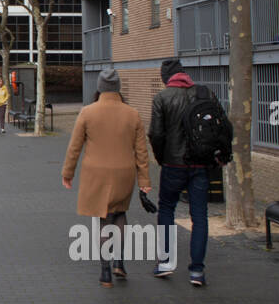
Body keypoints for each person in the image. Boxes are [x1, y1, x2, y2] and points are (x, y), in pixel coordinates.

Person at [61, 69, 152, 287]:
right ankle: (119, 263)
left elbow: (74, 148)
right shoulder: (133, 114)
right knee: (120, 213)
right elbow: (142, 152)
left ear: (100, 87)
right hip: (124, 173)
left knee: (104, 219)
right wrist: (145, 182)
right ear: (118, 87)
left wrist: (68, 173)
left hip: (97, 174)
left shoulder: (87, 112)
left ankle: (105, 272)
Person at [148, 58, 209, 286]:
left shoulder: (162, 98)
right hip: (200, 165)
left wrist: (161, 158)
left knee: (166, 209)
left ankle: (165, 263)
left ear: (166, 78)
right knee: (200, 216)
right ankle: (197, 271)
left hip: (173, 164)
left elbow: (156, 134)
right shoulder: (204, 94)